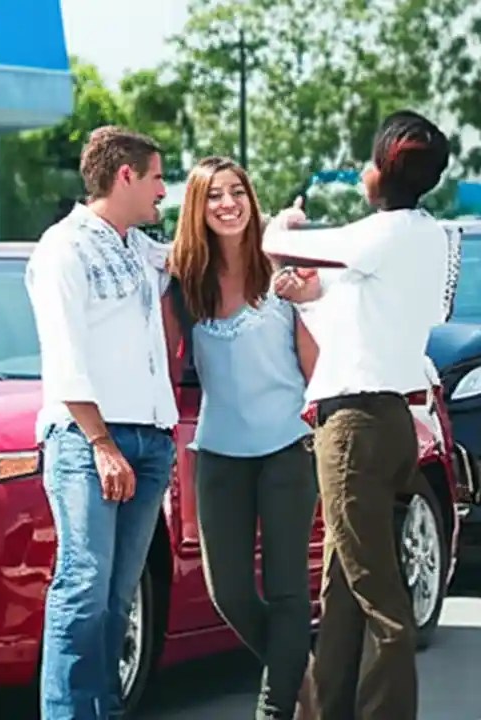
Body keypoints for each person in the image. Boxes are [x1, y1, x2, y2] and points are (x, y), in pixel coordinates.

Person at [263, 110, 453, 720]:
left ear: (381, 173)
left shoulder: (378, 235)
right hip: (391, 419)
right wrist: (313, 299)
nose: (364, 173)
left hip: (353, 431)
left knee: (377, 597)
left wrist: (286, 221)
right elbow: (361, 321)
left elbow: (276, 242)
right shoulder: (429, 236)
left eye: (370, 163)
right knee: (342, 588)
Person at [25, 126, 176, 720]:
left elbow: (205, 257)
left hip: (150, 439)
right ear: (126, 176)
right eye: (159, 177)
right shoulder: (62, 249)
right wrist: (102, 445)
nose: (165, 190)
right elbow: (65, 356)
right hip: (88, 441)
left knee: (119, 598)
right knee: (82, 588)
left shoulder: (139, 247)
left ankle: (103, 711)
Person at [165, 156, 319, 720]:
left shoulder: (282, 268)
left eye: (238, 193)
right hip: (220, 454)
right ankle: (301, 672)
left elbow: (314, 365)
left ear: (252, 202)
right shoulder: (183, 278)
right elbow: (159, 357)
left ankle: (275, 708)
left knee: (286, 592)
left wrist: (308, 290)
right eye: (214, 196)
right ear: (196, 208)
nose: (228, 204)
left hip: (287, 447)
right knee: (227, 591)